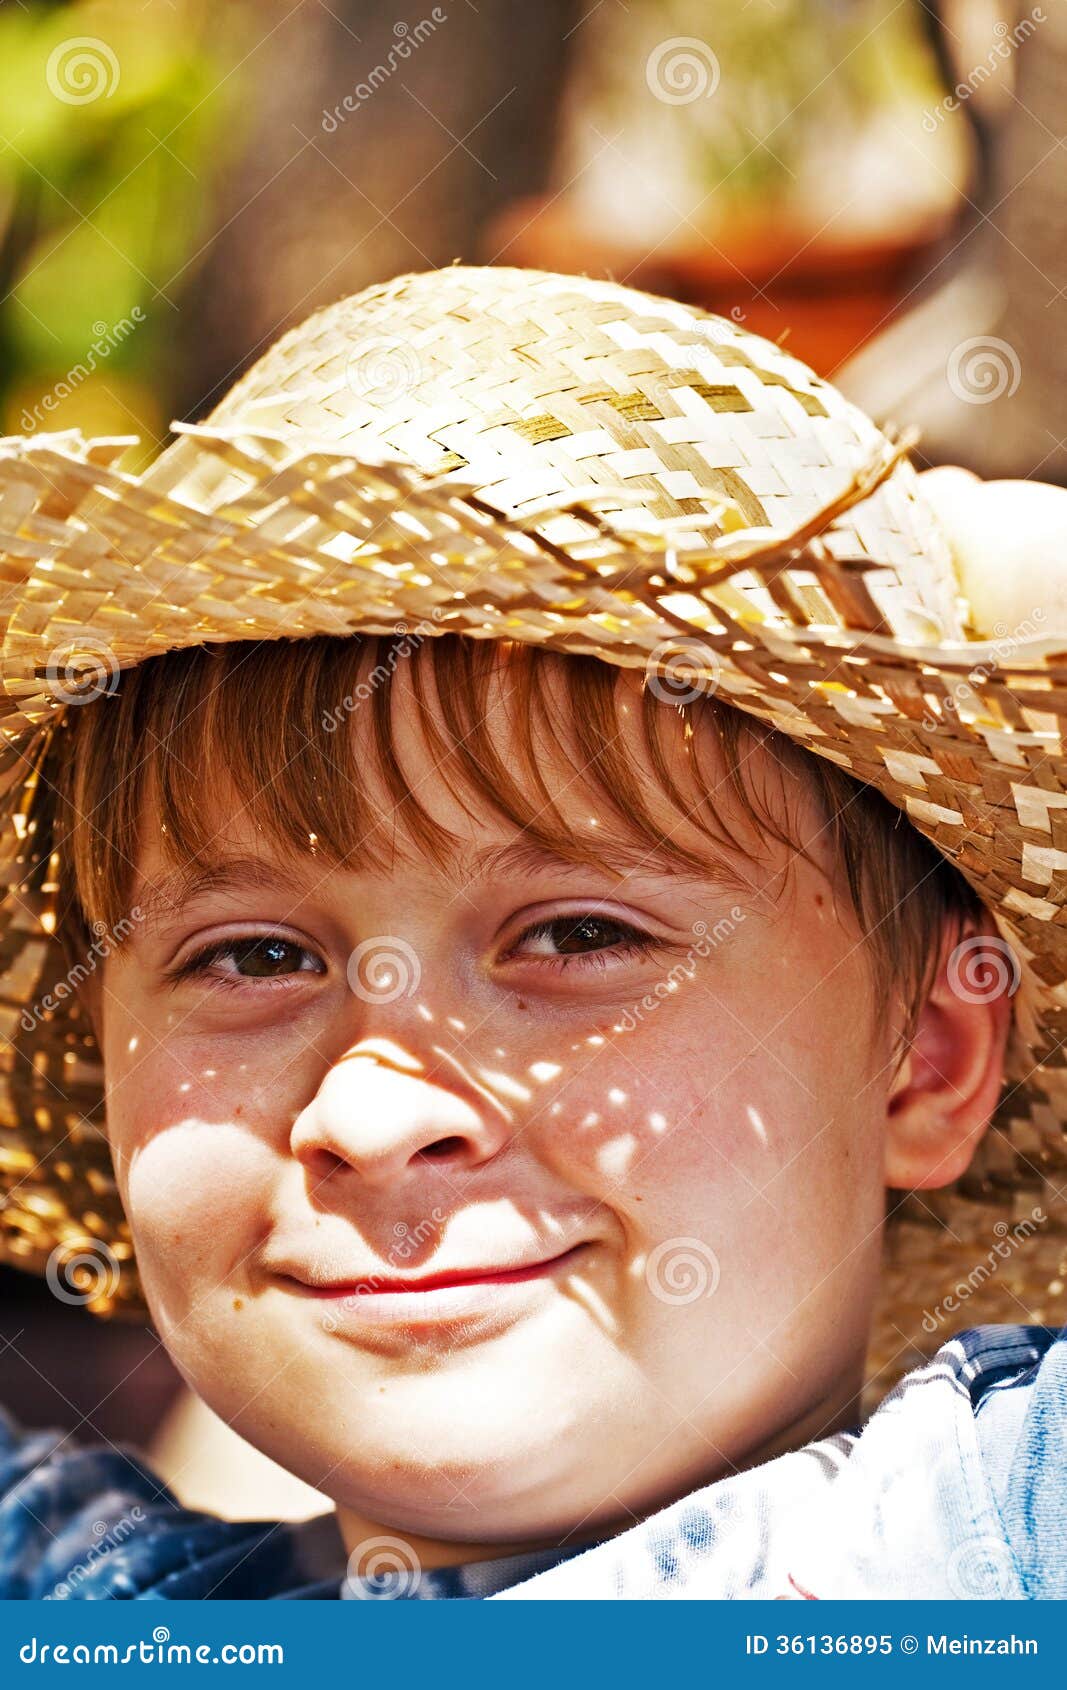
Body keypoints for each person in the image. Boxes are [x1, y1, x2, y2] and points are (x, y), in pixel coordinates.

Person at [0, 267, 1064, 1600]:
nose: (377, 1116)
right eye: (256, 954)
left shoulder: (986, 1541)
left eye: (573, 934)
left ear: (926, 1059)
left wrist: (1011, 574)